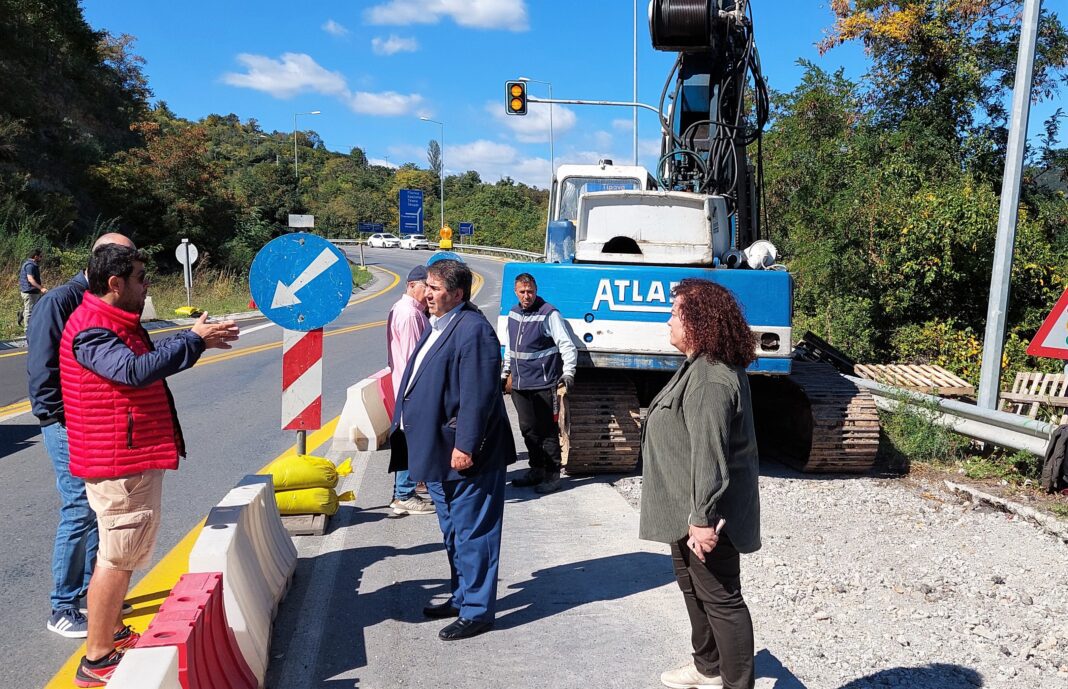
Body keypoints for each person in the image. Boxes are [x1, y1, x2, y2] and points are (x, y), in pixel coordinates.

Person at [60, 244, 239, 687]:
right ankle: (97, 657)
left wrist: (190, 339)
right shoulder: (93, 330)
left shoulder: (114, 322)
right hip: (117, 462)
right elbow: (135, 371)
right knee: (117, 557)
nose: (146, 286)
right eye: (140, 278)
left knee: (125, 552)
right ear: (114, 284)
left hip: (127, 455)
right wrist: (193, 340)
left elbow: (145, 363)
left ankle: (112, 633)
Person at [639, 278, 761, 689]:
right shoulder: (698, 366)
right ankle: (708, 667)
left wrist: (703, 517)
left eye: (675, 313)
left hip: (706, 514)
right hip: (684, 507)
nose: (668, 319)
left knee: (722, 599)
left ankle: (736, 684)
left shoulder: (710, 379)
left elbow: (711, 453)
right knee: (694, 589)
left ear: (699, 321)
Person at [388, 258, 516, 641]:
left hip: (465, 456)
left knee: (474, 533)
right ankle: (461, 595)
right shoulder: (439, 324)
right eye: (426, 285)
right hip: (438, 454)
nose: (427, 293)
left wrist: (466, 446)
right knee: (454, 533)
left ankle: (478, 610)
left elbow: (478, 396)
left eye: (436, 288)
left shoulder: (472, 330)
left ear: (457, 294)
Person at [27, 233, 136, 639]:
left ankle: (95, 594)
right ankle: (63, 605)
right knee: (78, 506)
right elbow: (42, 370)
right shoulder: (61, 301)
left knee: (98, 506)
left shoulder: (105, 301)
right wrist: (61, 417)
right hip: (66, 421)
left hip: (94, 421)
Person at [501, 273, 577, 494]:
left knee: (547, 432)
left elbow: (566, 345)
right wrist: (505, 373)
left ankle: (553, 475)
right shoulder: (513, 313)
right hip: (520, 385)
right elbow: (510, 349)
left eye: (530, 292)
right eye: (522, 292)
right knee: (527, 430)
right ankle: (537, 469)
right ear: (515, 292)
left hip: (543, 384)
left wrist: (568, 372)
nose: (527, 296)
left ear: (536, 290)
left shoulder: (548, 314)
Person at [385, 264, 434, 516]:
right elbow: (416, 358)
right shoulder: (410, 315)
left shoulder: (405, 310)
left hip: (405, 388)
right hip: (411, 389)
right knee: (410, 441)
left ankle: (409, 488)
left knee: (410, 440)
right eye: (426, 287)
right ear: (412, 285)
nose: (429, 293)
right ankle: (403, 494)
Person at [19, 248, 47, 328]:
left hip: (33, 291)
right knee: (30, 311)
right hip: (29, 292)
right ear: (36, 257)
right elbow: (30, 279)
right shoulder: (30, 266)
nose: (42, 258)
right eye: (40, 256)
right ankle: (27, 330)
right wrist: (41, 288)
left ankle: (22, 314)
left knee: (34, 309)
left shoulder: (33, 265)